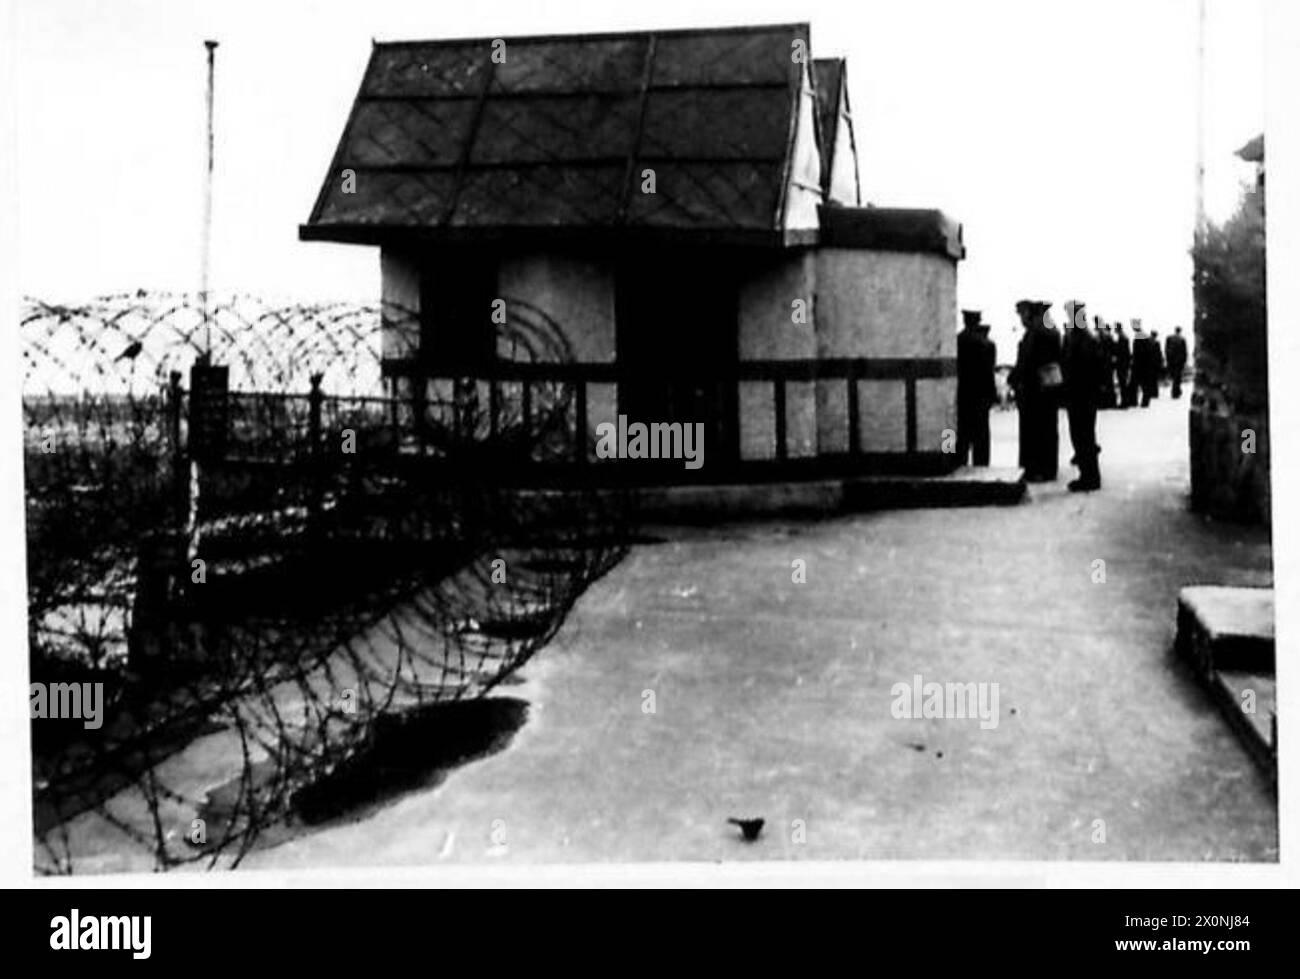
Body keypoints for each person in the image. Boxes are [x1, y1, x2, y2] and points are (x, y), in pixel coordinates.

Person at [1008, 299, 1061, 481]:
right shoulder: (1052, 331)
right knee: (1048, 429)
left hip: (1033, 391)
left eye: (1023, 314)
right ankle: (1048, 468)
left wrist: (1014, 379)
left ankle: (1033, 469)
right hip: (1048, 389)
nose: (1022, 319)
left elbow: (1026, 362)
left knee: (1033, 431)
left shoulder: (1035, 334)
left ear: (1031, 314)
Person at [1061, 300, 1103, 491]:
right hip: (1078, 396)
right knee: (1081, 436)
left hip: (1082, 396)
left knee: (1083, 436)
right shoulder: (1077, 336)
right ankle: (1087, 475)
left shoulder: (1084, 338)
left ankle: (1090, 478)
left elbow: (1085, 370)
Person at [957, 309, 997, 466]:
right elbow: (989, 372)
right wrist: (992, 396)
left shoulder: (956, 341)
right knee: (981, 435)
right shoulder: (987, 344)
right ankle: (982, 464)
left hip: (961, 394)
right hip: (981, 396)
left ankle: (954, 459)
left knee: (957, 432)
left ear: (965, 320)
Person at [1165, 326, 1188, 398]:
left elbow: (1166, 349)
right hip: (1179, 361)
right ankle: (1176, 392)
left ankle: (1175, 391)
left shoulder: (1169, 338)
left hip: (1171, 361)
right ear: (1180, 331)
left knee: (1174, 376)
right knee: (1177, 377)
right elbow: (1184, 352)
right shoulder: (1182, 339)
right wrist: (1184, 361)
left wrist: (1168, 359)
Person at [1114, 323, 1133, 408]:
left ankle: (1124, 403)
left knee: (1122, 383)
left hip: (1121, 364)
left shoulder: (1122, 338)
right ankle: (1126, 401)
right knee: (1124, 383)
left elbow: (1120, 352)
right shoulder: (1124, 337)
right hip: (1124, 364)